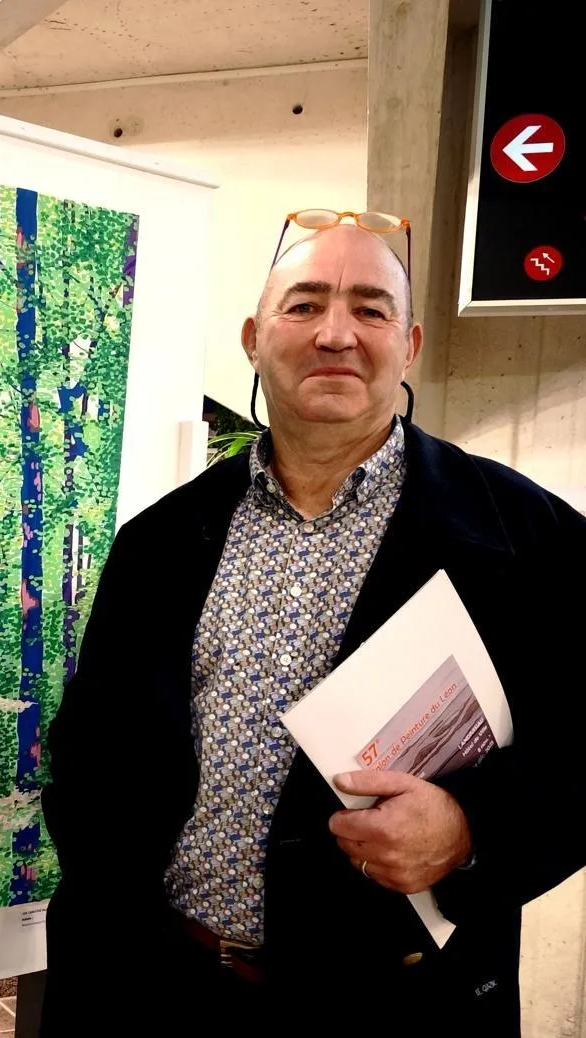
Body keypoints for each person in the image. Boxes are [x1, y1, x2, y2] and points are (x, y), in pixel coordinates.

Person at [38, 217, 586, 1036]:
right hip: (153, 989)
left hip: (390, 1006)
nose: (336, 334)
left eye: (370, 310)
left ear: (412, 345)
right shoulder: (159, 540)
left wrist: (473, 829)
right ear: (256, 340)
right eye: (304, 307)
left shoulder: (528, 538)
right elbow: (90, 746)